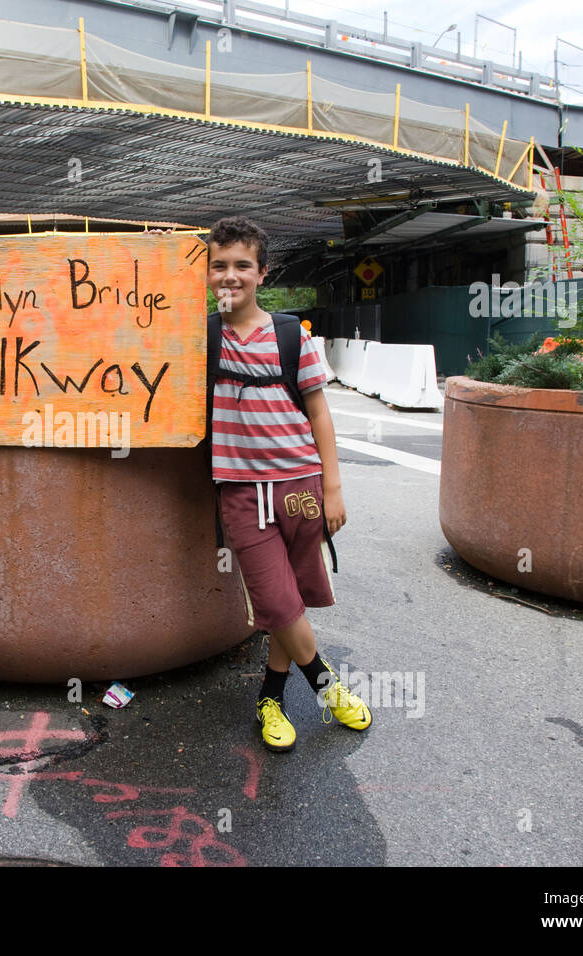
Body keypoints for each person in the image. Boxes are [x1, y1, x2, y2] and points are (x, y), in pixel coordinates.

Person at [206, 216, 371, 752]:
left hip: (300, 485)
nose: (230, 276)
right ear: (207, 272)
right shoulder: (201, 338)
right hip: (239, 491)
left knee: (290, 603)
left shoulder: (289, 335)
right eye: (218, 265)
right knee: (277, 601)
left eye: (241, 266)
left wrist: (333, 488)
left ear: (262, 272)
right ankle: (325, 685)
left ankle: (270, 700)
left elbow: (319, 414)